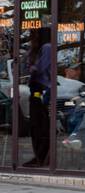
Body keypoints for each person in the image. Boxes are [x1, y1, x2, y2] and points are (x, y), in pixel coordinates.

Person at [25, 36, 52, 166]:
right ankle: (39, 156)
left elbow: (39, 69)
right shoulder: (34, 51)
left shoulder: (47, 47)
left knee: (42, 126)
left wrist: (32, 68)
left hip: (41, 90)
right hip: (35, 90)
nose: (31, 40)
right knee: (35, 127)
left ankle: (42, 157)